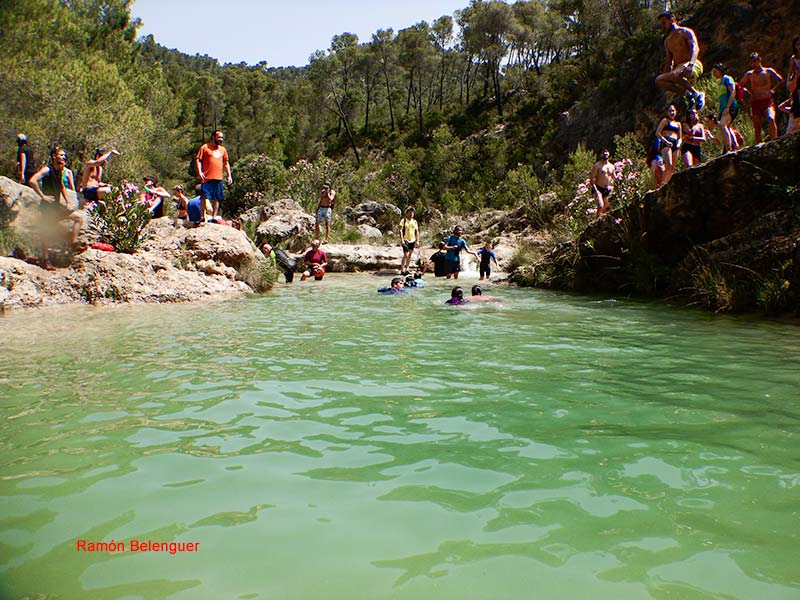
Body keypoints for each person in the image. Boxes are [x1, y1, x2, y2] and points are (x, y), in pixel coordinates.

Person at [28, 147, 85, 265]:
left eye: (64, 156)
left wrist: (68, 201)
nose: (64, 157)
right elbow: (32, 180)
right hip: (48, 207)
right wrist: (43, 196)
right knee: (47, 232)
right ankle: (44, 259)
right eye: (61, 155)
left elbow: (62, 187)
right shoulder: (47, 169)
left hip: (56, 205)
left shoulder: (59, 170)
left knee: (78, 218)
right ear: (54, 156)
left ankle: (74, 244)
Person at [655, 11, 705, 110]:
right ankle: (688, 95)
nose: (663, 26)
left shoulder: (685, 32)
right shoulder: (667, 42)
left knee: (675, 74)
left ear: (672, 20)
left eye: (664, 23)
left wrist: (691, 64)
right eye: (661, 24)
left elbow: (695, 48)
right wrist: (666, 80)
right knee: (659, 80)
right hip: (679, 69)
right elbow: (669, 61)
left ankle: (697, 94)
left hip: (693, 64)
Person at [740, 52, 783, 144]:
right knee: (757, 124)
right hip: (756, 102)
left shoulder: (768, 71)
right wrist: (746, 92)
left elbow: (780, 80)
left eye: (755, 61)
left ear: (759, 60)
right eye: (752, 62)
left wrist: (773, 90)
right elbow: (740, 85)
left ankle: (774, 141)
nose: (754, 64)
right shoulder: (749, 74)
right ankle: (759, 145)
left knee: (771, 118)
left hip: (767, 100)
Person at [196, 130, 232, 220]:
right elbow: (198, 160)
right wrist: (199, 172)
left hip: (218, 177)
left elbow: (226, 163)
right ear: (213, 137)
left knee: (216, 197)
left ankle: (214, 216)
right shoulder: (205, 147)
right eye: (219, 137)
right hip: (207, 177)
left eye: (222, 138)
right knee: (204, 197)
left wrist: (229, 175)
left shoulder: (222, 149)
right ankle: (202, 216)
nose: (221, 139)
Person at [711, 64, 739, 153]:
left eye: (715, 72)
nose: (714, 74)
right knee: (727, 126)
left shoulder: (727, 79)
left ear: (720, 71)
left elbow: (732, 92)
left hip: (731, 107)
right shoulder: (720, 83)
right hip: (724, 108)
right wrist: (720, 111)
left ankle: (728, 148)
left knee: (723, 125)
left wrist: (728, 107)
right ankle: (734, 145)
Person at [654, 104, 682, 186]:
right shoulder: (665, 121)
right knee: (668, 164)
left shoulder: (678, 124)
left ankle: (666, 183)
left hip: (675, 144)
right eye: (670, 111)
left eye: (673, 111)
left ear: (676, 112)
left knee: (672, 167)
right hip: (666, 142)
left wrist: (679, 144)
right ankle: (662, 184)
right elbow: (657, 133)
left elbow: (680, 137)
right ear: (667, 112)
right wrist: (666, 141)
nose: (672, 112)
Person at [590, 149, 615, 216]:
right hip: (598, 188)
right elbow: (592, 179)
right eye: (603, 152)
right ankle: (595, 223)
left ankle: (600, 223)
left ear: (609, 153)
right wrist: (595, 191)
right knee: (600, 206)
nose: (605, 153)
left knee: (605, 209)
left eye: (606, 152)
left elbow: (614, 178)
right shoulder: (597, 165)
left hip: (606, 189)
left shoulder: (611, 166)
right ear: (600, 155)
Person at [399, 206, 420, 274]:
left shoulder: (414, 221)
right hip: (406, 239)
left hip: (412, 240)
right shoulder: (403, 220)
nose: (411, 214)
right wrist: (402, 240)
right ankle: (402, 269)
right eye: (410, 212)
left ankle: (407, 268)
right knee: (406, 254)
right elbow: (400, 230)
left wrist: (417, 241)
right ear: (407, 213)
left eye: (412, 213)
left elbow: (417, 231)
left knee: (410, 254)